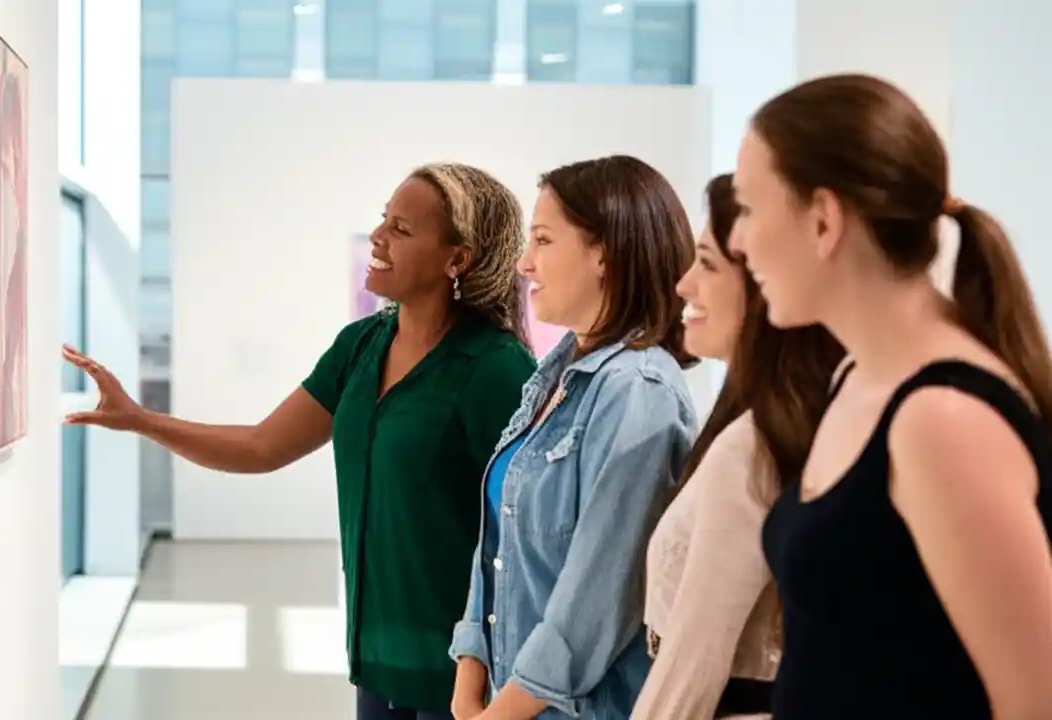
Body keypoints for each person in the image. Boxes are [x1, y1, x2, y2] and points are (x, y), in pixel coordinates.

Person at [63, 163, 537, 720]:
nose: (379, 237)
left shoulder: (497, 369)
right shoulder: (362, 345)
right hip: (374, 660)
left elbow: (523, 538)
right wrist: (141, 419)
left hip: (460, 677)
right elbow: (262, 446)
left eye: (402, 229)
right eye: (383, 220)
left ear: (458, 259)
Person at [731, 73, 1052, 718]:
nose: (738, 240)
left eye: (747, 208)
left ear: (823, 220)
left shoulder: (943, 421)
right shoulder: (857, 377)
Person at [447, 156, 699, 720]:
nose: (524, 262)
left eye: (543, 240)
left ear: (604, 254)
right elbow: (499, 547)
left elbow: (598, 600)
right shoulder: (554, 376)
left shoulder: (639, 391)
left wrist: (497, 714)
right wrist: (470, 676)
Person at [631, 174, 844, 719]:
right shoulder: (794, 424)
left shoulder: (753, 449)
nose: (682, 285)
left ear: (764, 279)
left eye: (706, 263)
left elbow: (693, 662)